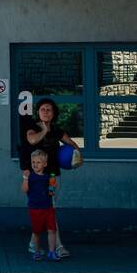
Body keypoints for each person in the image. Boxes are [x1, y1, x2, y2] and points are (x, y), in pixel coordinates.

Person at [20, 98, 79, 258]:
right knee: (43, 210)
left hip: (52, 175)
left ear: (54, 114)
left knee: (49, 209)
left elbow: (72, 144)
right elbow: (32, 140)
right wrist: (44, 131)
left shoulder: (57, 131)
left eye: (49, 110)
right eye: (43, 109)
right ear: (38, 112)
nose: (46, 112)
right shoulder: (31, 127)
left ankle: (41, 246)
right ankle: (52, 246)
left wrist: (76, 157)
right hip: (33, 177)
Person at [23, 148, 60, 261]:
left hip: (48, 208)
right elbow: (24, 190)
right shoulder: (30, 177)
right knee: (37, 232)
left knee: (52, 230)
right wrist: (25, 178)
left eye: (38, 162)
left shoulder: (48, 176)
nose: (35, 164)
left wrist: (53, 186)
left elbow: (51, 192)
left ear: (45, 164)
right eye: (33, 162)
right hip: (35, 208)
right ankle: (37, 251)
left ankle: (52, 252)